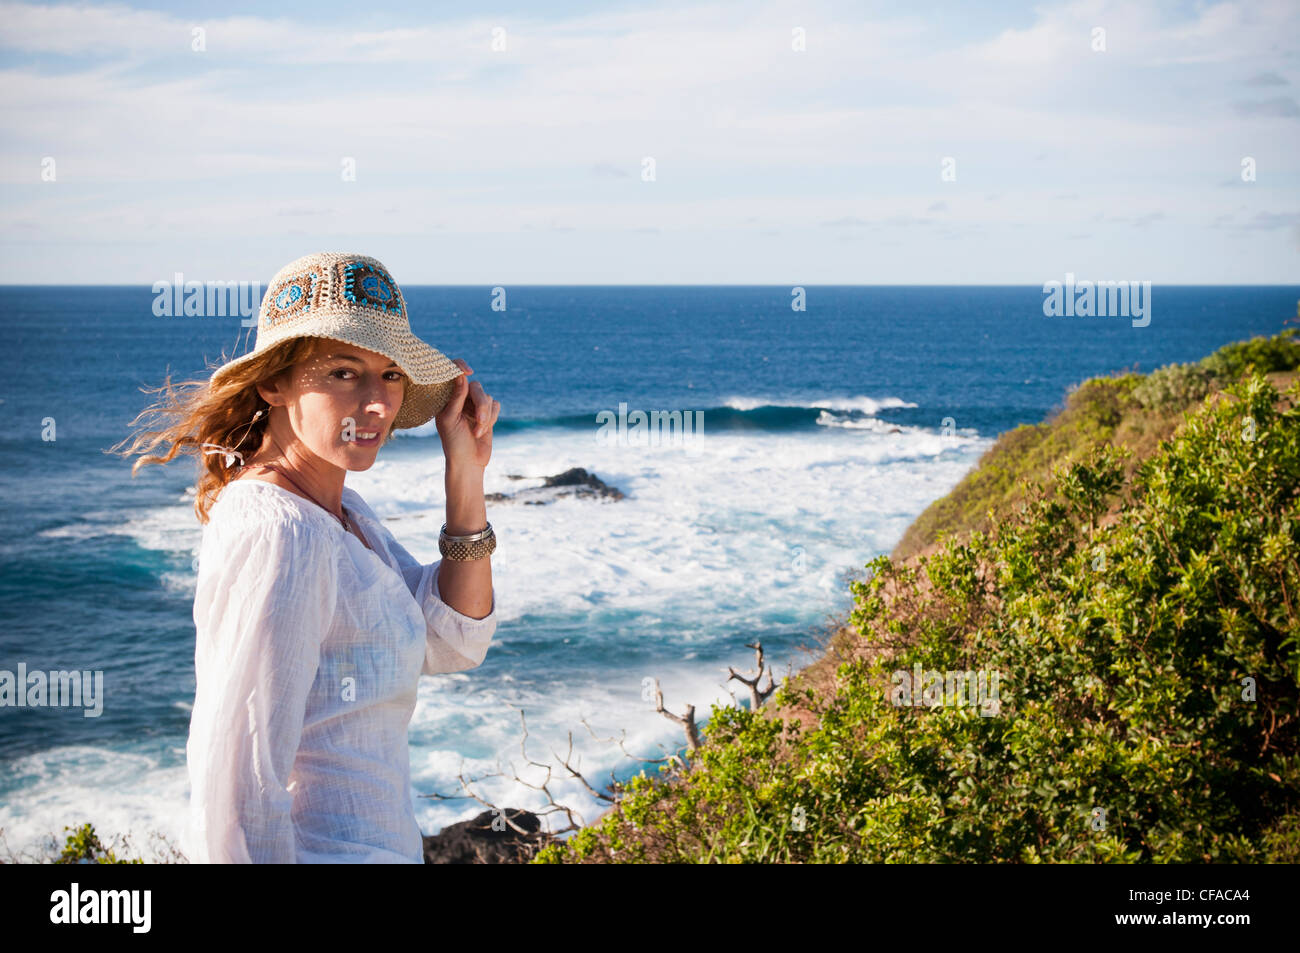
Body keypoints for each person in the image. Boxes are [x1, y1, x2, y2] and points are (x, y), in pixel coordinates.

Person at [114, 251, 501, 862]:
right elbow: (238, 786)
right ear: (274, 382)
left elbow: (454, 639)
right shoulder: (279, 531)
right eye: (345, 373)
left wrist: (465, 472)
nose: (377, 402)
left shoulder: (344, 515)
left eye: (391, 375)